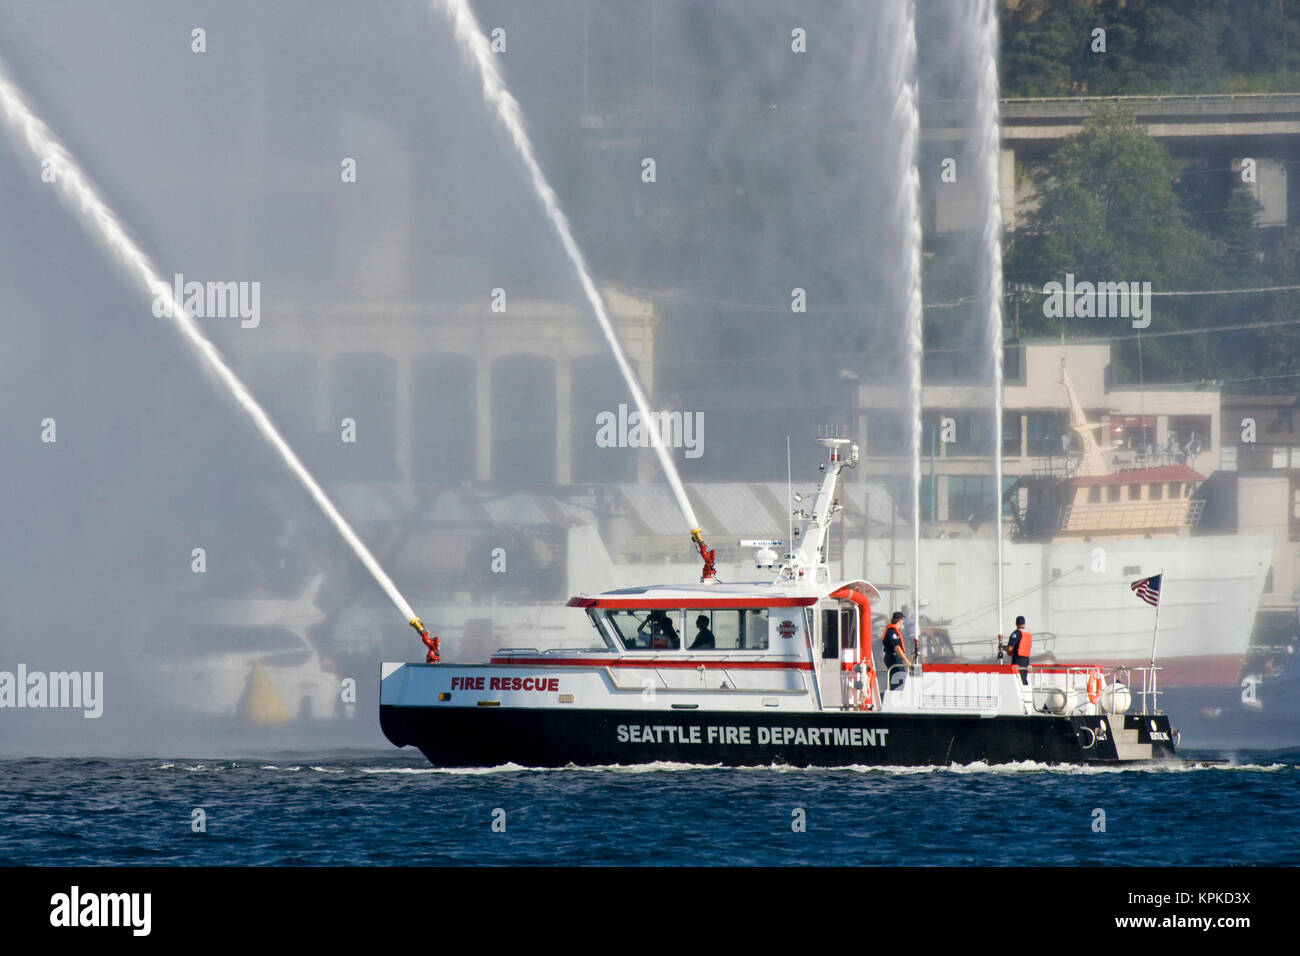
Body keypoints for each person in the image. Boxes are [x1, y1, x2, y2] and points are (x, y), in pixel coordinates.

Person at [999, 615, 1033, 684]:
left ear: (1016, 624)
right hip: (1026, 660)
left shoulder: (1016, 634)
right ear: (1024, 624)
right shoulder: (1028, 634)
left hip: (1018, 660)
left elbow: (1010, 648)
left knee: (1017, 679)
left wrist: (1002, 647)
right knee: (1023, 679)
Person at [882, 611, 911, 690]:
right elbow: (897, 648)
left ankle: (898, 694)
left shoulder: (895, 631)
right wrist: (906, 661)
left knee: (900, 678)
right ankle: (895, 695)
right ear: (900, 620)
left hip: (896, 658)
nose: (903, 622)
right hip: (893, 658)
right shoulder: (892, 632)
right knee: (898, 679)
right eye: (902, 620)